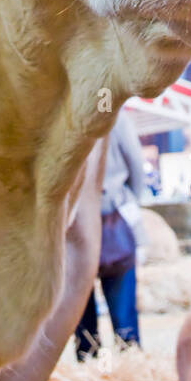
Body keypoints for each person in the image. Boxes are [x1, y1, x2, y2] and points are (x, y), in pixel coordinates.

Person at [74, 108, 146, 358]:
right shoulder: (115, 117)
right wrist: (127, 201)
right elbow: (136, 165)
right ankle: (127, 359)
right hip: (111, 214)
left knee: (79, 308)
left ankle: (89, 361)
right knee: (121, 306)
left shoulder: (61, 113)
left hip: (75, 223)